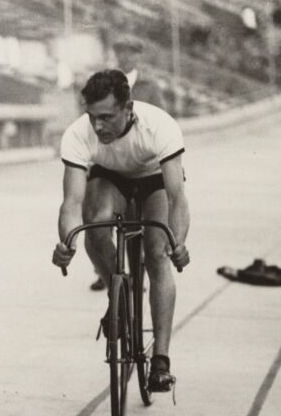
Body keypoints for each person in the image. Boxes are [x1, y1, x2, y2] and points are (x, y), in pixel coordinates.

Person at [51, 69, 191, 392]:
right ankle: (120, 296)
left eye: (107, 117)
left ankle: (160, 361)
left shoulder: (160, 126)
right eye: (92, 117)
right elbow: (72, 202)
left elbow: (176, 197)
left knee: (157, 252)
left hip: (154, 178)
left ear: (129, 108)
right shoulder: (78, 134)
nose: (98, 126)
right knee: (95, 223)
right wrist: (66, 243)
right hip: (111, 177)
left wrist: (178, 242)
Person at [89, 36, 167, 293]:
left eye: (130, 53)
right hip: (112, 163)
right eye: (120, 52)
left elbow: (162, 124)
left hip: (141, 161)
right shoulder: (105, 84)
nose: (125, 57)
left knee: (140, 222)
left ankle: (137, 272)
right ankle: (109, 273)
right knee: (101, 218)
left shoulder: (149, 87)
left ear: (137, 56)